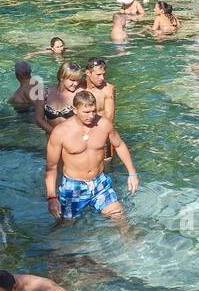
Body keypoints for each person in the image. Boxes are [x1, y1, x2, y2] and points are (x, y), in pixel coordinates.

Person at [45, 90, 139, 221]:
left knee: (119, 217)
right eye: (86, 112)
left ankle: (131, 241)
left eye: (93, 111)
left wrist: (132, 173)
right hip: (74, 186)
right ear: (75, 110)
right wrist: (52, 197)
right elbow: (51, 167)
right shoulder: (61, 132)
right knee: (66, 226)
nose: (91, 116)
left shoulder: (104, 124)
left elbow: (119, 145)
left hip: (100, 182)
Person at [34, 61, 86, 135]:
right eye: (72, 80)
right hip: (52, 141)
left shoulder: (80, 94)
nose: (76, 83)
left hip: (72, 139)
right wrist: (56, 135)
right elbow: (39, 119)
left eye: (78, 80)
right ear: (62, 78)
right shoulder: (44, 93)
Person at [84, 58, 116, 123]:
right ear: (87, 73)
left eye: (104, 74)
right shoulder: (78, 87)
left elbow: (109, 119)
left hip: (100, 127)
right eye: (98, 74)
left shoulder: (108, 89)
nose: (102, 78)